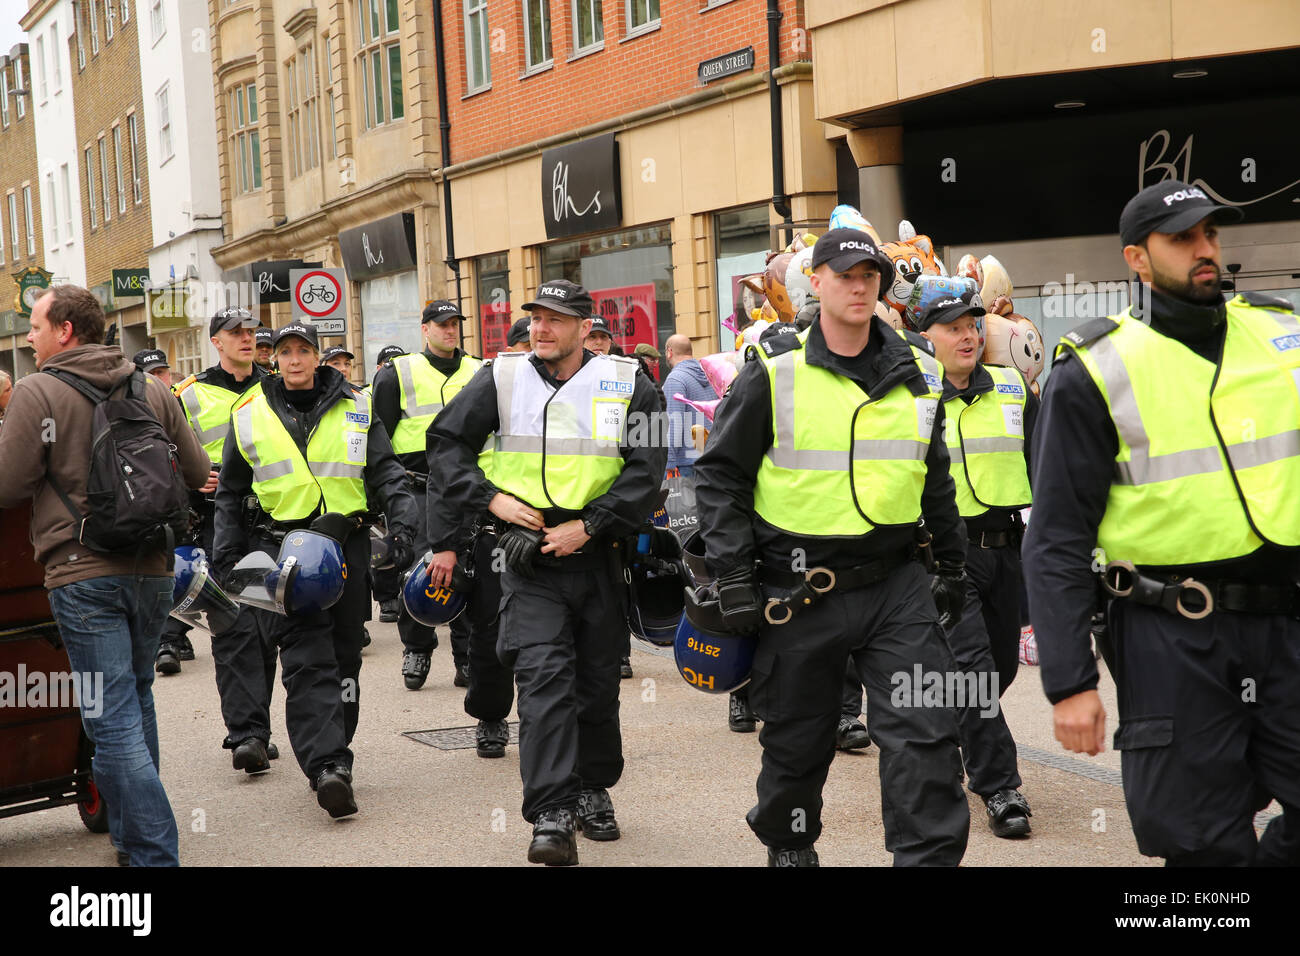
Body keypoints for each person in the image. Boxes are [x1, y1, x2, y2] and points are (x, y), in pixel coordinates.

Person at [1024, 180, 1300, 866]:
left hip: (1287, 619)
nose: (1205, 250)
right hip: (1171, 635)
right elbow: (1057, 538)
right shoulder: (1094, 368)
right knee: (1200, 842)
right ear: (1137, 259)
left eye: (1210, 234)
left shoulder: (1279, 333)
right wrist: (1071, 681)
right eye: (1183, 239)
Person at [694, 229, 971, 866]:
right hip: (798, 588)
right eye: (844, 274)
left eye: (869, 275)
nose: (858, 285)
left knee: (927, 737)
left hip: (896, 584)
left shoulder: (919, 373)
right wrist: (733, 575)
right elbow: (720, 475)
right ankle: (790, 844)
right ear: (814, 281)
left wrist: (952, 566)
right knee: (797, 740)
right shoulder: (775, 371)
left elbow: (933, 478)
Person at [426, 279, 666, 865]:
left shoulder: (631, 382)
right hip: (525, 558)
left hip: (597, 552)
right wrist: (490, 499)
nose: (540, 328)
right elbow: (446, 443)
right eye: (535, 317)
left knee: (595, 684)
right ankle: (552, 813)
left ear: (586, 328)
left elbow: (649, 468)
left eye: (555, 319)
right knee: (542, 681)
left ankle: (593, 787)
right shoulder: (501, 376)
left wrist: (593, 524)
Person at [0, 285, 210, 865]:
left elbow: (8, 485)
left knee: (110, 715)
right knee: (136, 698)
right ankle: (129, 835)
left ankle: (150, 853)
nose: (31, 339)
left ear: (65, 330)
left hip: (82, 570)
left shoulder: (37, 391)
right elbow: (195, 470)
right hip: (153, 568)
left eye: (37, 328)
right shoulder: (150, 387)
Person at [213, 321, 419, 818]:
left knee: (346, 656)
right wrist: (228, 557)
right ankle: (327, 765)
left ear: (317, 356)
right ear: (274, 359)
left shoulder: (357, 404)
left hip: (344, 547)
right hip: (281, 551)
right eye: (284, 352)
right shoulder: (248, 412)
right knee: (306, 657)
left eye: (303, 350)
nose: (294, 360)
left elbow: (386, 471)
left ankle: (336, 753)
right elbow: (230, 492)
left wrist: (406, 525)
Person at [915, 288, 1036, 838]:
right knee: (973, 670)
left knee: (1001, 667)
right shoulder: (910, 397)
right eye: (952, 327)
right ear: (927, 337)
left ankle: (952, 732)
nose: (967, 336)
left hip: (1006, 548)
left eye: (972, 326)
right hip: (945, 555)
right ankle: (1000, 786)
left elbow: (1047, 460)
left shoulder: (1013, 386)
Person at [169, 307, 281, 766]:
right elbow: (162, 456)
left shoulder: (275, 386)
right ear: (215, 341)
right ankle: (247, 734)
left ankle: (257, 724)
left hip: (270, 522)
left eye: (251, 331)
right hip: (217, 523)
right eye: (235, 333)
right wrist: (190, 480)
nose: (246, 338)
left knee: (266, 626)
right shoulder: (187, 394)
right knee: (232, 627)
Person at [372, 300, 480, 691]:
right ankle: (417, 647)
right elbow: (377, 434)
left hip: (465, 487)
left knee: (468, 569)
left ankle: (467, 656)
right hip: (416, 486)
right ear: (425, 329)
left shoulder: (479, 370)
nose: (450, 330)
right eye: (441, 324)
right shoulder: (397, 373)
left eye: (455, 324)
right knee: (418, 569)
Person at [367, 344, 411, 620]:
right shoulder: (370, 395)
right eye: (387, 362)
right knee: (383, 542)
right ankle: (386, 598)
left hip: (402, 476)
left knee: (402, 536)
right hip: (386, 474)